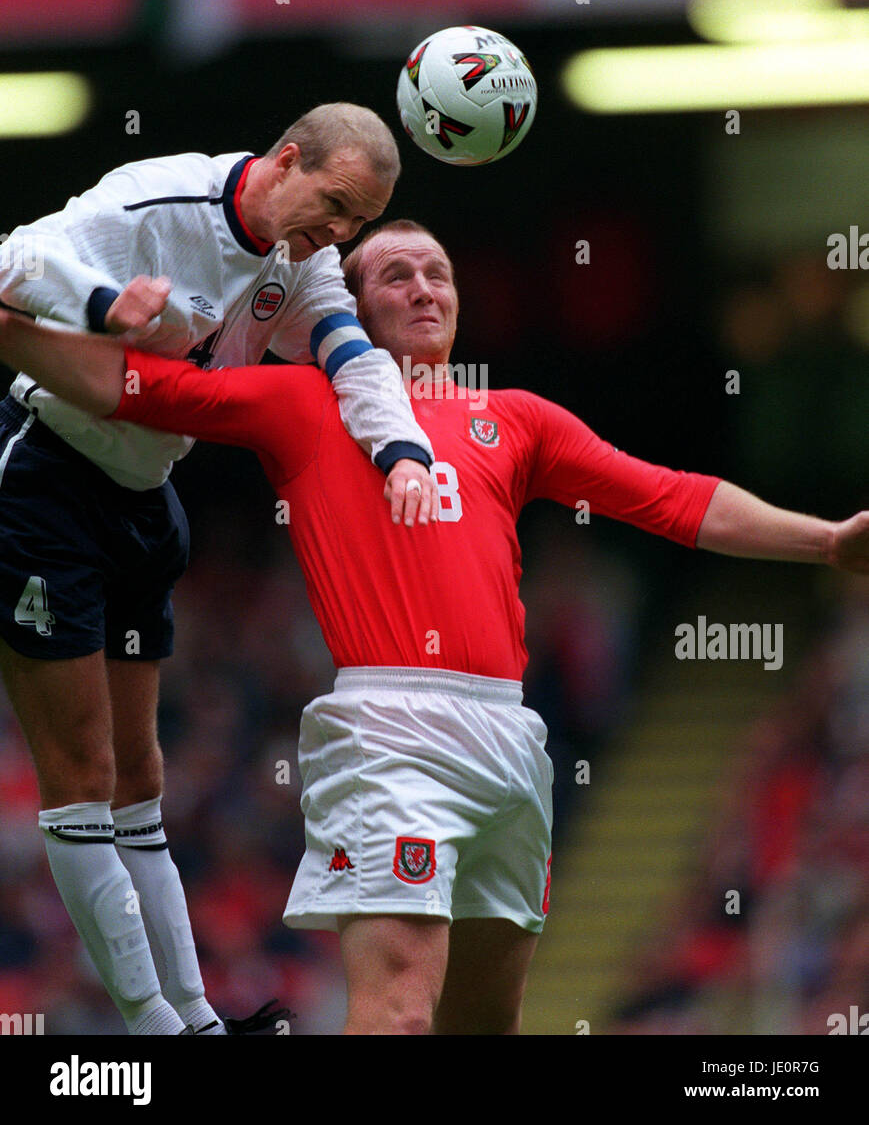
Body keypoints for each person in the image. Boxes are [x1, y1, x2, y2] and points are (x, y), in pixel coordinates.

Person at [1, 219, 868, 1035]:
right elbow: (135, 387)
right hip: (387, 732)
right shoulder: (305, 404)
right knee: (400, 1013)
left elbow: (673, 497)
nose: (422, 288)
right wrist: (10, 326)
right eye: (394, 274)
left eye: (436, 273)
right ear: (347, 304)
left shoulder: (517, 419)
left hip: (509, 738)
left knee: (481, 1023)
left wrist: (826, 542)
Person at [0, 108, 438, 1037]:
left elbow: (349, 357)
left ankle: (196, 1020)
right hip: (45, 479)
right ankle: (153, 1030)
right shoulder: (160, 202)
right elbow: (14, 259)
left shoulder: (306, 261)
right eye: (333, 206)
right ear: (285, 162)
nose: (340, 237)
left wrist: (399, 446)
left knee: (141, 780)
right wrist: (100, 309)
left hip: (144, 495)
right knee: (82, 771)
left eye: (359, 222)